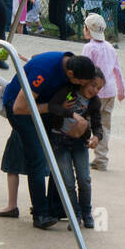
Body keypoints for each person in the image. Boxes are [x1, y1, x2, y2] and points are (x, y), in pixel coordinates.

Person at [0, 51, 97, 228]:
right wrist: (53, 108)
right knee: (37, 157)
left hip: (44, 107)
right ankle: (40, 214)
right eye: (80, 83)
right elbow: (19, 107)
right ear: (70, 75)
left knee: (57, 153)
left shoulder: (73, 63)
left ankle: (55, 208)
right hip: (20, 110)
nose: (80, 86)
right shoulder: (44, 71)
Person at [45, 71, 104, 228]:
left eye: (99, 88)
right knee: (68, 182)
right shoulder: (69, 92)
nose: (95, 90)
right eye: (93, 85)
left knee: (84, 179)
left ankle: (86, 213)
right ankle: (74, 214)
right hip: (59, 140)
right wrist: (70, 113)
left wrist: (96, 138)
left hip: (79, 142)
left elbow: (98, 125)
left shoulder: (94, 102)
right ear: (84, 82)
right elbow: (53, 107)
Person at [80, 13, 123, 171]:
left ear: (88, 29)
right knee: (104, 126)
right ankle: (101, 159)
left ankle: (80, 156)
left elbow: (84, 69)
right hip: (110, 91)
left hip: (93, 93)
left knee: (85, 123)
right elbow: (117, 70)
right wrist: (121, 91)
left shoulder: (89, 47)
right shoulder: (110, 47)